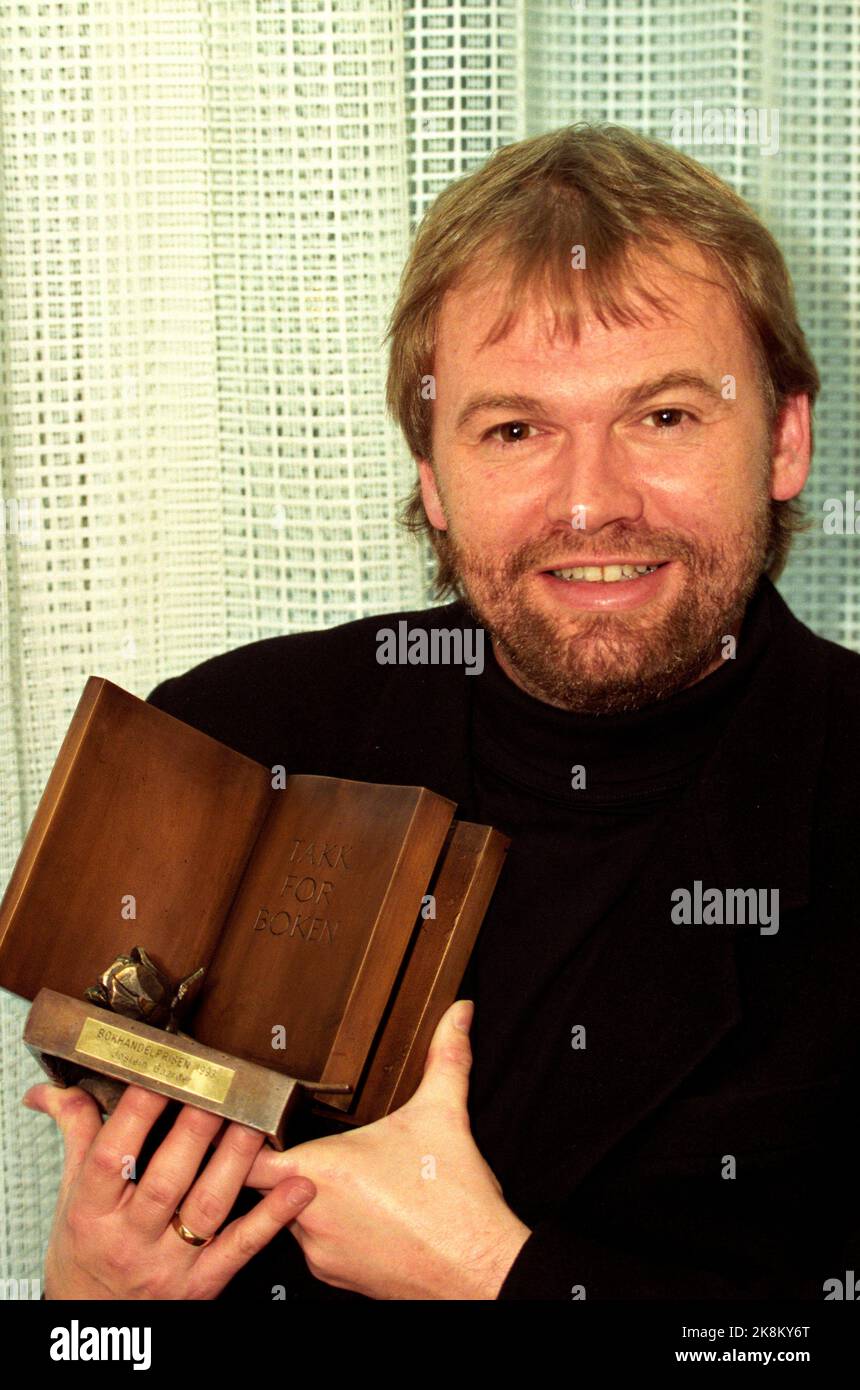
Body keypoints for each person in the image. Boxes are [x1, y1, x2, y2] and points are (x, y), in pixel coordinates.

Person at [25, 123, 860, 1301]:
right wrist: (87, 1301)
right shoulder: (223, 745)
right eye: (515, 429)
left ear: (782, 438)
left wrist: (495, 1276)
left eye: (664, 416)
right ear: (431, 476)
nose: (590, 503)